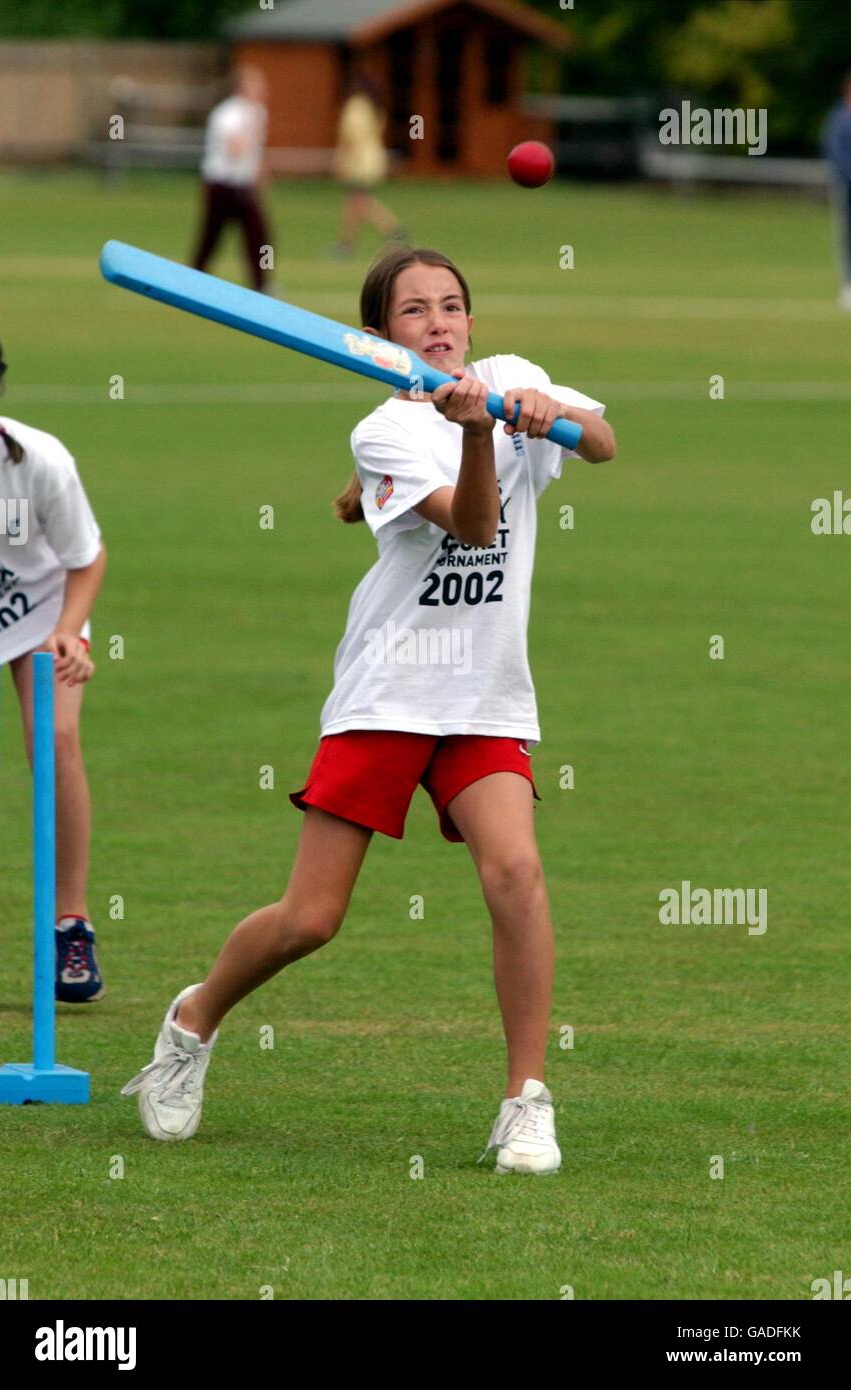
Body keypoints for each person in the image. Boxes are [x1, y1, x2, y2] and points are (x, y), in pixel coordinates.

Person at [122, 246, 615, 1175]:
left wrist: (558, 415)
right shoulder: (384, 434)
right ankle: (194, 1020)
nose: (439, 322)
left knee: (517, 875)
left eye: (454, 305)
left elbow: (605, 444)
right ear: (380, 336)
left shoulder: (510, 380)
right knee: (312, 918)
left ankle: (526, 1100)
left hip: (483, 693)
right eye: (416, 310)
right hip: (390, 689)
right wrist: (481, 436)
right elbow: (476, 527)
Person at [0, 324, 106, 1001]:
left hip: (41, 612)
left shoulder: (39, 461)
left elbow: (86, 559)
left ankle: (72, 926)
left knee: (54, 739)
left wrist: (65, 633)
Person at [192, 65, 276, 293]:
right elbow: (234, 149)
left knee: (259, 236)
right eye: (257, 84)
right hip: (222, 184)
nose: (262, 89)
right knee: (210, 237)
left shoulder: (258, 112)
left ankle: (261, 284)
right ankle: (193, 277)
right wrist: (249, 136)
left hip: (243, 186)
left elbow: (255, 153)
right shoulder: (227, 114)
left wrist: (261, 174)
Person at [330, 74, 405, 257]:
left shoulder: (356, 106)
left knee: (359, 202)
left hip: (359, 161)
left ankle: (393, 230)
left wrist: (341, 158)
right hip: (373, 158)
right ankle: (346, 243)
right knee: (355, 203)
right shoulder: (374, 107)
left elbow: (351, 135)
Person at [823, 71, 851, 312]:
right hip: (848, 185)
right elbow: (836, 153)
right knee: (848, 236)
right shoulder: (839, 119)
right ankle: (848, 287)